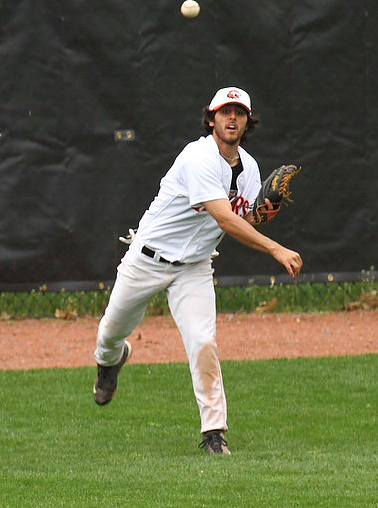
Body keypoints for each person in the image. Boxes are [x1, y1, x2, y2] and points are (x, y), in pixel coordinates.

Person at [93, 87, 302, 455]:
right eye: (224, 112)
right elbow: (223, 216)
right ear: (211, 119)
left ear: (247, 121)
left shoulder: (249, 168)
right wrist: (275, 247)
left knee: (203, 343)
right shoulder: (197, 156)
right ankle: (110, 362)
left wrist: (262, 213)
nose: (231, 118)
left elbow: (241, 219)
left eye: (239, 112)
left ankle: (214, 432)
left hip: (194, 267)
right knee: (110, 333)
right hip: (147, 259)